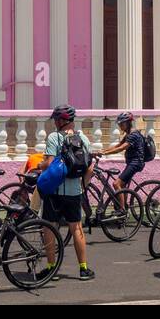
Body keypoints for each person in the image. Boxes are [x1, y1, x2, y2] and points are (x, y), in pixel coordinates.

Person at [39, 103, 94, 281]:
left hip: (55, 191)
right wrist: (81, 186)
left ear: (62, 120)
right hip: (74, 192)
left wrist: (39, 167)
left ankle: (51, 268)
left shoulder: (54, 137)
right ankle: (83, 269)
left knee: (50, 227)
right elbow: (90, 169)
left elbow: (48, 164)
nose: (54, 122)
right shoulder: (83, 139)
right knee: (76, 227)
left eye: (56, 119)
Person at [94, 111, 147, 195]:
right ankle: (124, 205)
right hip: (132, 162)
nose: (120, 126)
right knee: (122, 186)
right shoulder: (128, 134)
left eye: (122, 124)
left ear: (128, 123)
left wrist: (105, 154)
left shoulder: (133, 135)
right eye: (119, 124)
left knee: (116, 184)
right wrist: (103, 151)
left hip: (135, 163)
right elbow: (118, 145)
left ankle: (121, 208)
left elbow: (121, 148)